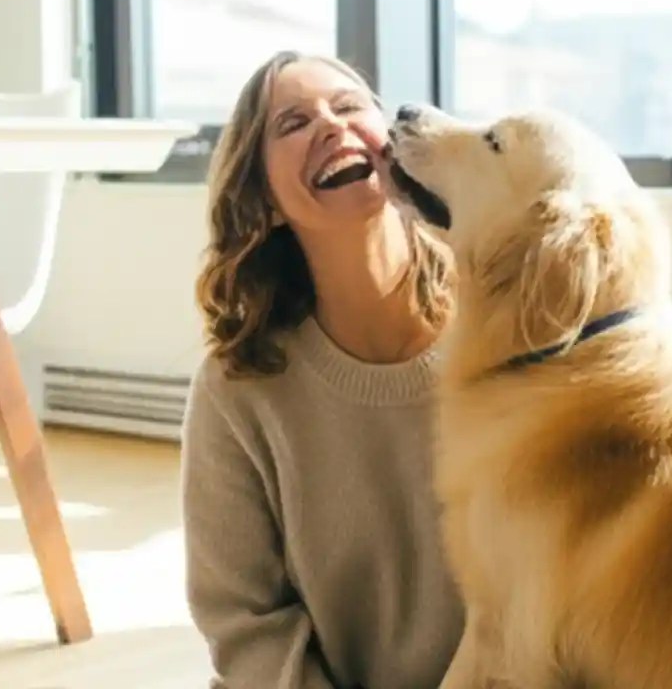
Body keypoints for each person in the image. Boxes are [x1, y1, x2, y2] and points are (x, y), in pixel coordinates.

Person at [181, 49, 465, 689]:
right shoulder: (237, 389)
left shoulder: (504, 319)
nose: (331, 128)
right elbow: (244, 623)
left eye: (346, 107)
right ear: (265, 201)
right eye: (292, 124)